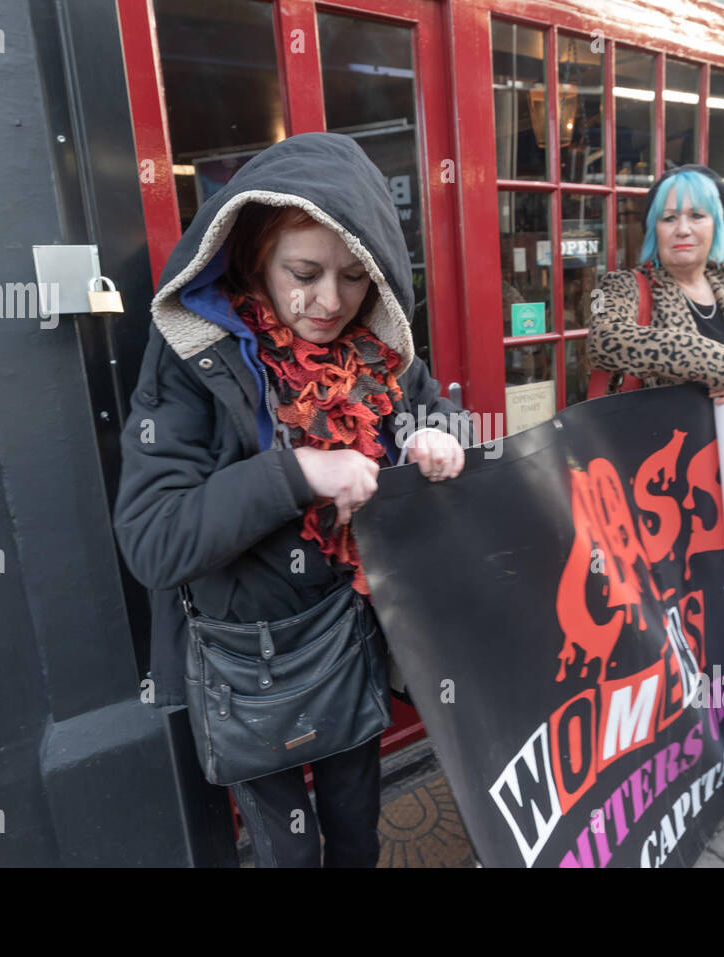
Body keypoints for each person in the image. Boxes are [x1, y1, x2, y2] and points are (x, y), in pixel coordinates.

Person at [113, 132, 466, 865]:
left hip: (351, 635)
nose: (330, 301)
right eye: (303, 272)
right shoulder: (192, 356)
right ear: (254, 255)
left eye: (354, 278)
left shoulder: (378, 352)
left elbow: (433, 412)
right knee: (288, 852)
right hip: (251, 661)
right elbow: (153, 539)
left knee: (356, 828)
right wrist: (297, 471)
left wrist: (439, 439)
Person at [587, 164, 724, 437]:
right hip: (654, 465)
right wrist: (715, 361)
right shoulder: (624, 286)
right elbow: (603, 340)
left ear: (718, 225)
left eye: (697, 216)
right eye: (668, 218)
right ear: (653, 230)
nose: (682, 229)